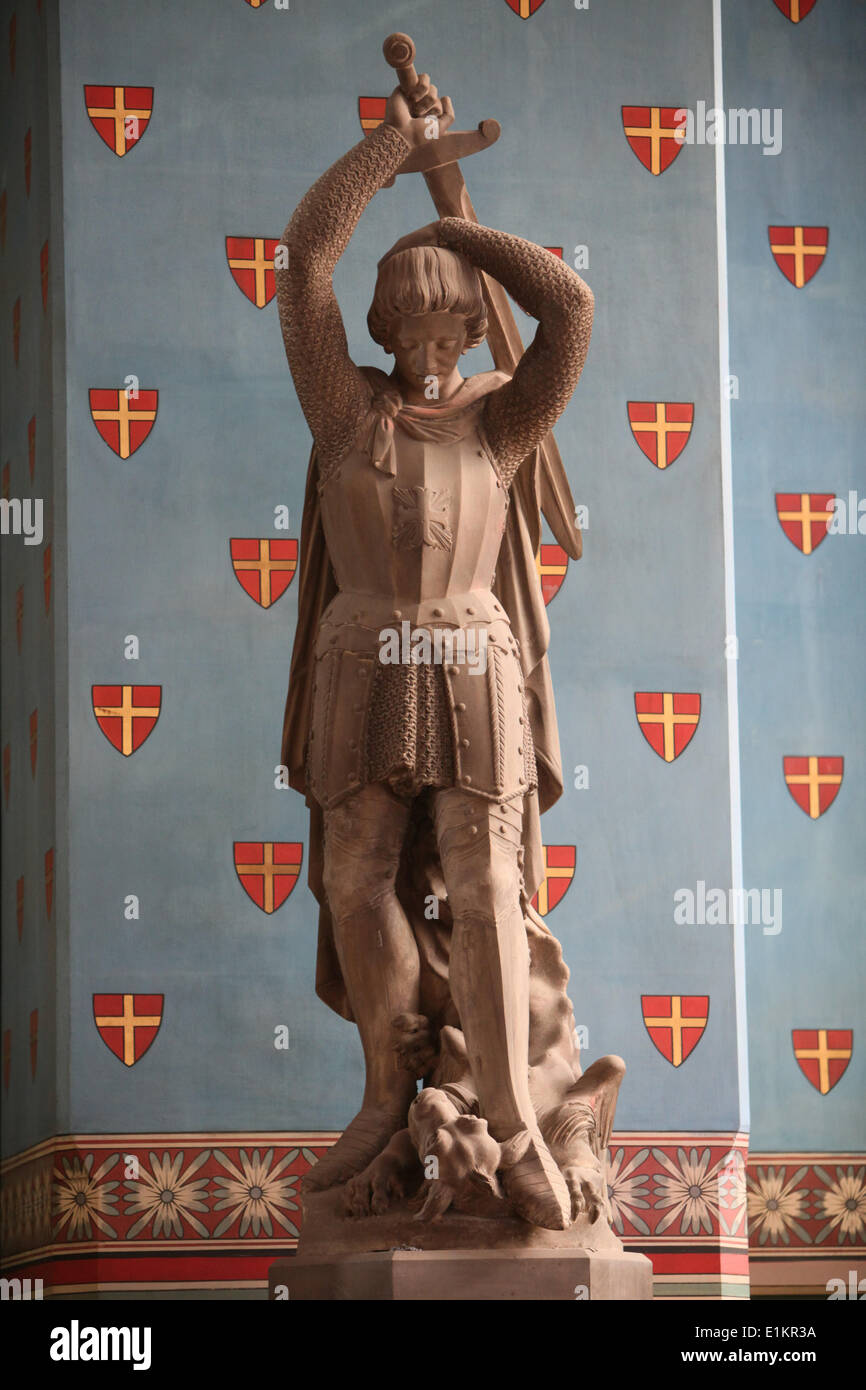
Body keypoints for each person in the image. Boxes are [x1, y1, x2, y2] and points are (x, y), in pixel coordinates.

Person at [275, 78, 594, 1230]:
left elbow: (568, 309)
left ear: (466, 330)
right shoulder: (343, 413)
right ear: (377, 333)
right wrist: (394, 150)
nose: (422, 350)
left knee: (486, 883)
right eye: (402, 330)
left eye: (444, 328)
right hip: (361, 662)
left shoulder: (502, 423)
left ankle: (508, 1114)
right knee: (352, 878)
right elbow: (305, 259)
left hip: (467, 666)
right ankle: (378, 1093)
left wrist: (452, 223)